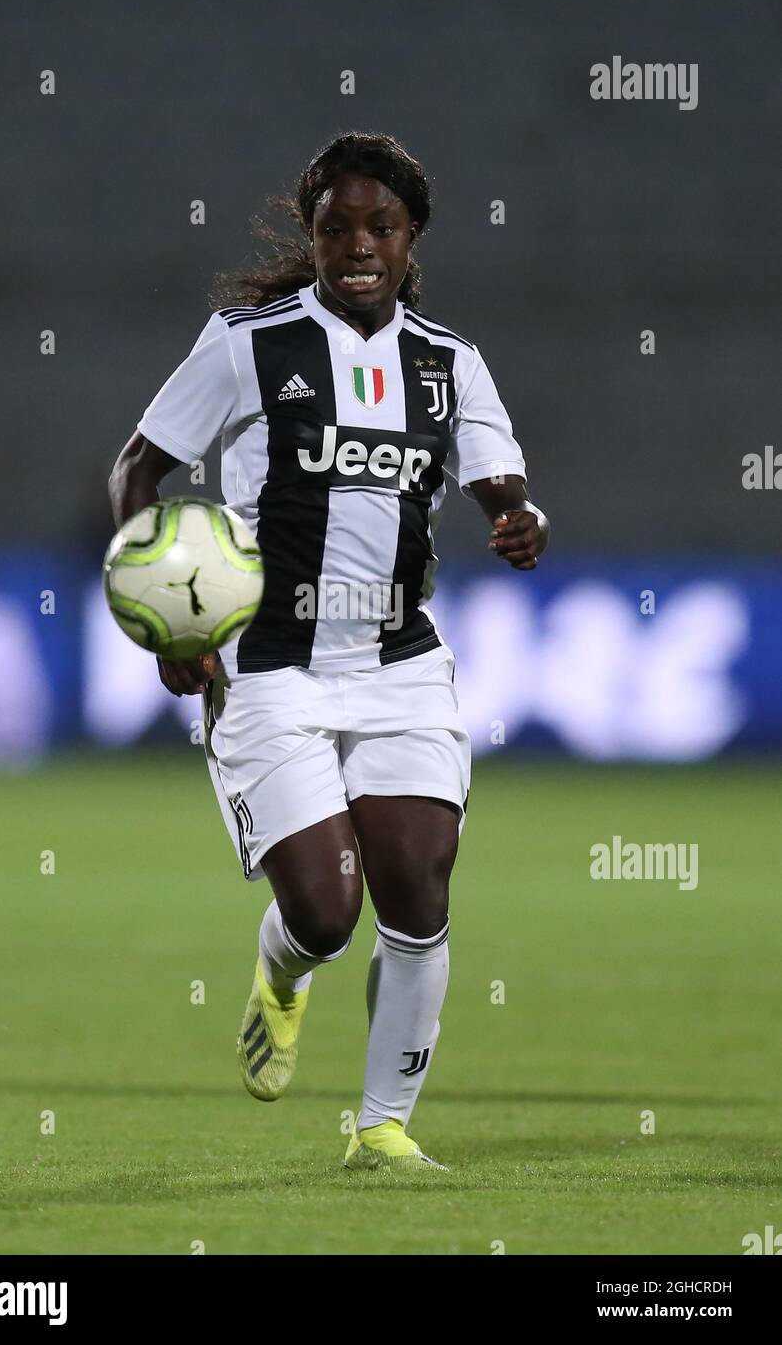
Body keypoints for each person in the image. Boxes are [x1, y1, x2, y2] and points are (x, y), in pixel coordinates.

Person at [108, 131, 549, 1170]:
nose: (358, 244)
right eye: (336, 227)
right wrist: (164, 623)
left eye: (378, 227)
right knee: (323, 908)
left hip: (398, 662)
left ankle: (381, 1127)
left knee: (418, 884)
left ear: (409, 240)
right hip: (269, 667)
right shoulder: (246, 343)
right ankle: (282, 971)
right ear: (311, 240)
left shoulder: (448, 363)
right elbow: (137, 471)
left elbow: (497, 480)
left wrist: (518, 518)